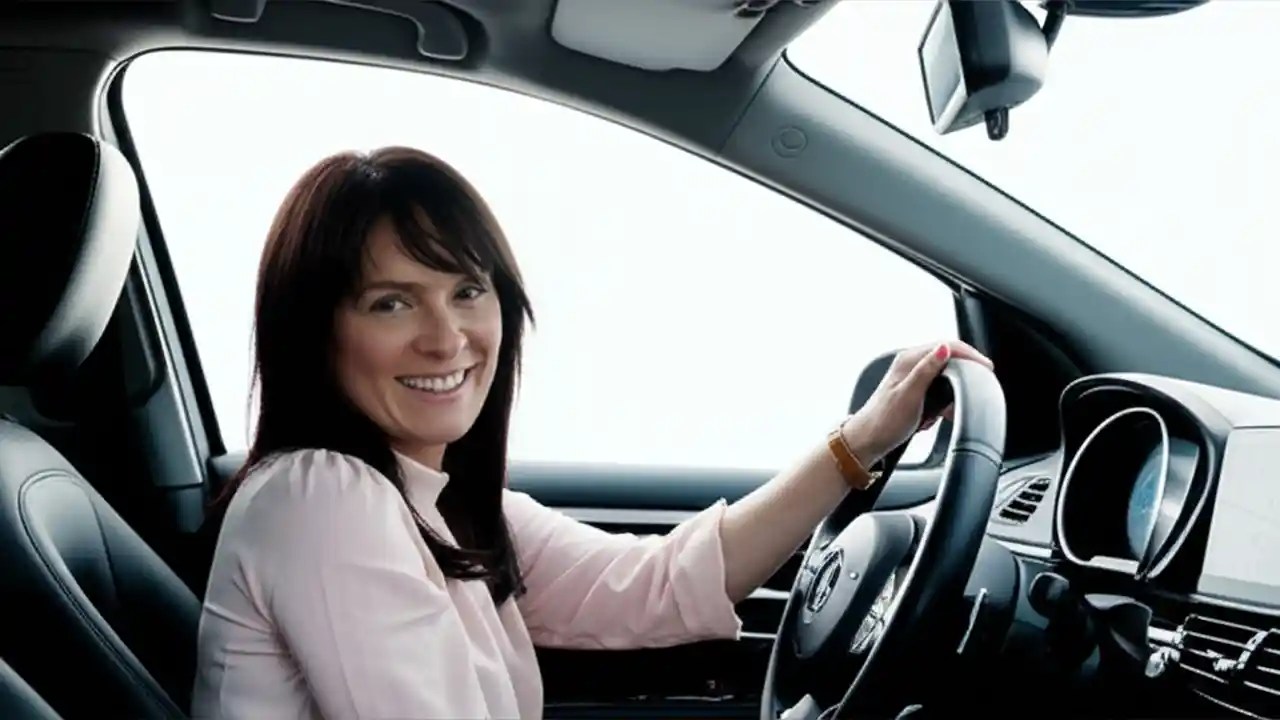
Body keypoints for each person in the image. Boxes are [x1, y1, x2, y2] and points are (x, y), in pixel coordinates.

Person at [189, 146, 993, 720]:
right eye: (390, 303)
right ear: (314, 333)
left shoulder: (434, 503)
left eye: (468, 291)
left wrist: (862, 441)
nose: (446, 338)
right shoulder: (322, 499)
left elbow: (655, 586)